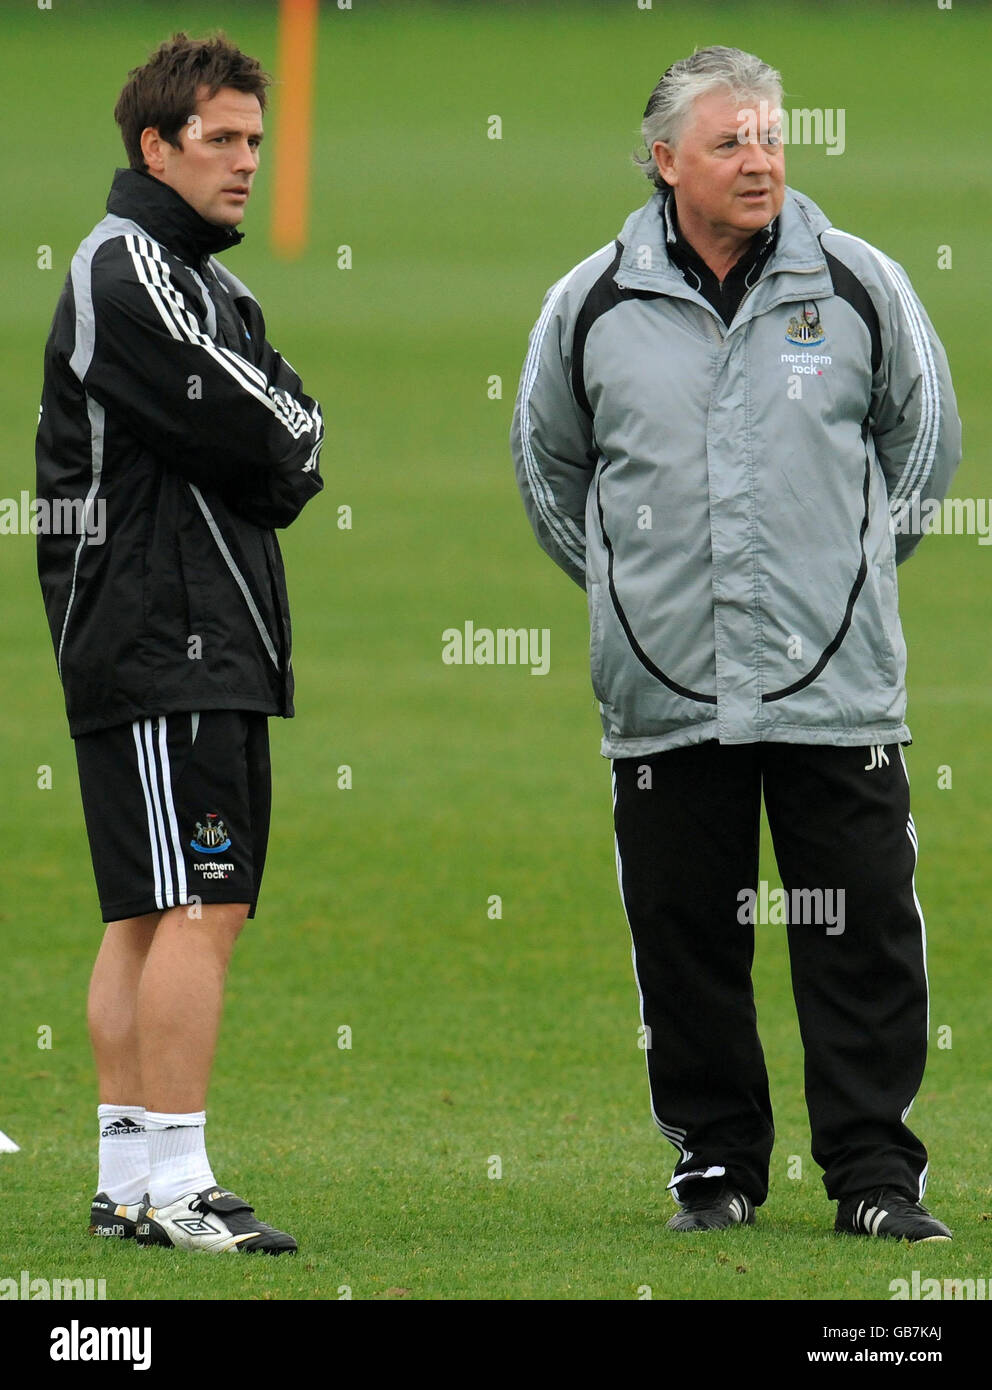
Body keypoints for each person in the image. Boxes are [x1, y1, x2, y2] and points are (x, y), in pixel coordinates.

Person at [512, 46, 961, 1242]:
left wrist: (845, 580)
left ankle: (873, 1175)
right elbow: (550, 474)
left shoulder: (859, 283)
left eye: (768, 137)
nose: (758, 159)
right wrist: (634, 597)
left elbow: (923, 452)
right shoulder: (588, 303)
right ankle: (714, 1170)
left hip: (835, 684)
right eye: (728, 142)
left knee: (859, 926)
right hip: (663, 689)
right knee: (683, 931)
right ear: (664, 162)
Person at [36, 33, 324, 1255]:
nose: (246, 163)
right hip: (169, 637)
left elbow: (278, 426)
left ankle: (125, 1175)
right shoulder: (130, 268)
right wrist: (290, 433)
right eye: (222, 139)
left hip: (185, 637)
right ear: (156, 146)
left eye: (256, 141)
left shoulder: (202, 276)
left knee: (151, 914)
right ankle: (176, 1181)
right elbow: (268, 429)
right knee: (202, 901)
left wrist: (287, 432)